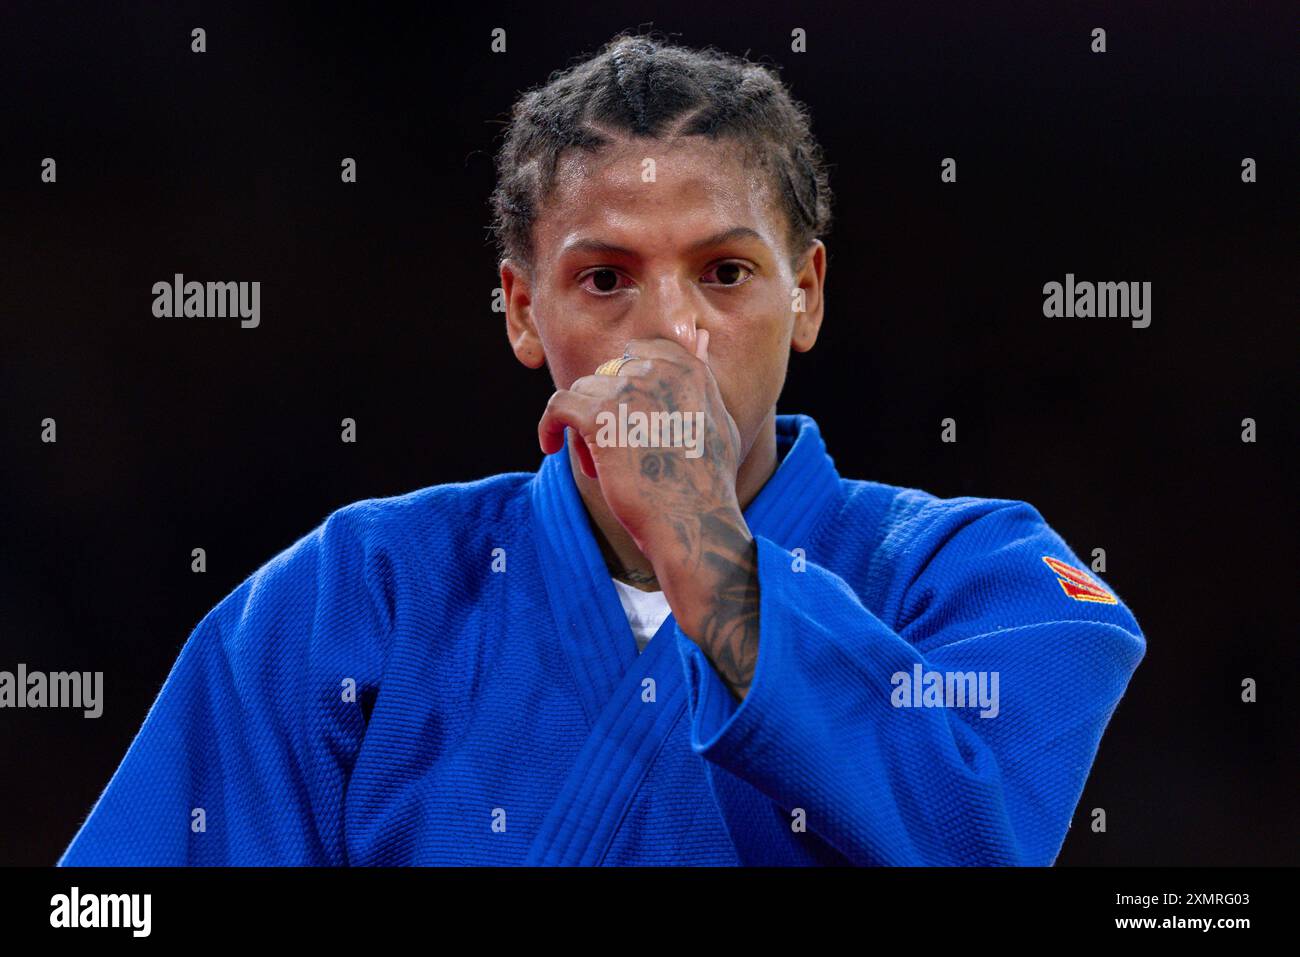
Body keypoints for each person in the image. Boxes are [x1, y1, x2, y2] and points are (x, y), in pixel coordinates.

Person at [58, 32, 1144, 866]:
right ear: (524, 314)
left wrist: (699, 537)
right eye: (605, 279)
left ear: (805, 296)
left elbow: (974, 841)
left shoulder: (982, 578)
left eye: (724, 272)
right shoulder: (356, 594)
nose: (670, 329)